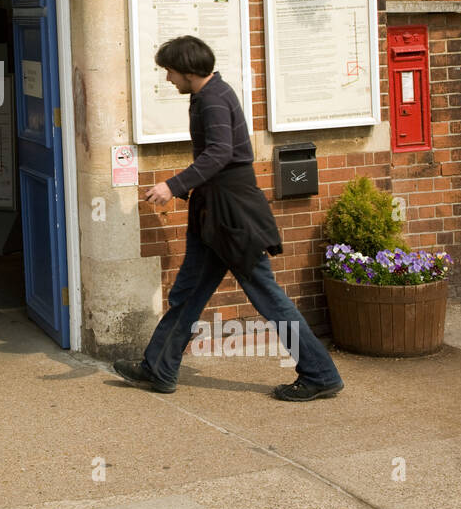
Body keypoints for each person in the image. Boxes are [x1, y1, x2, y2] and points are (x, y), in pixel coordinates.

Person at [114, 35, 344, 402]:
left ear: (188, 71)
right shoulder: (207, 94)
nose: (168, 78)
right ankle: (158, 365)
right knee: (187, 295)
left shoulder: (213, 99)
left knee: (269, 298)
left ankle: (320, 373)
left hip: (233, 218)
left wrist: (173, 185)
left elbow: (221, 152)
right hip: (213, 217)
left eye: (170, 71)